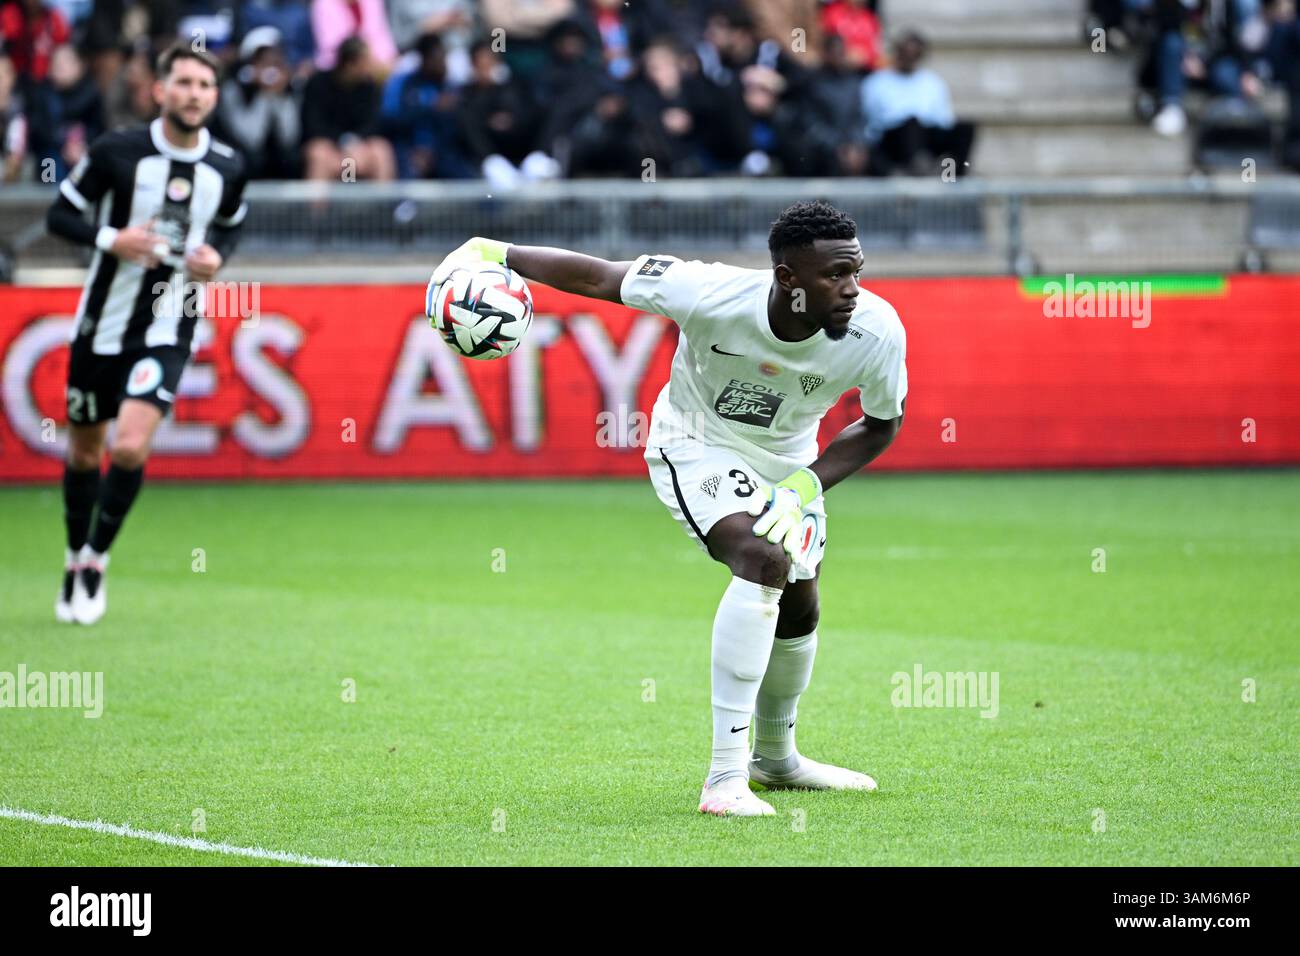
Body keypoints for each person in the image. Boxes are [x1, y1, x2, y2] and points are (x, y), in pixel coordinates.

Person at [429, 200, 907, 816]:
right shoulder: (707, 291)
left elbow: (881, 424)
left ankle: (777, 759)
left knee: (800, 600)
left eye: (856, 272)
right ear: (787, 277)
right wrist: (497, 253)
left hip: (789, 463)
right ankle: (725, 780)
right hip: (696, 444)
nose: (850, 290)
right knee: (763, 558)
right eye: (834, 275)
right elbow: (599, 276)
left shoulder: (878, 330)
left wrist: (805, 486)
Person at [43, 42, 248, 625]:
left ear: (214, 96)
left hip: (170, 318)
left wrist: (215, 260)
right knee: (85, 452)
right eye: (183, 83)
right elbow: (61, 213)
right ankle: (73, 550)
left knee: (129, 445)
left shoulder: (229, 166)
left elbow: (232, 227)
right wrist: (114, 239)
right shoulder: (117, 151)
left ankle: (97, 561)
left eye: (204, 86)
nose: (193, 94)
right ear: (160, 91)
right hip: (102, 323)